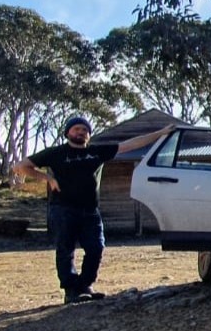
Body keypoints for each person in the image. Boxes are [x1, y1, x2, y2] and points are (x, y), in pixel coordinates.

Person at [13, 117, 174, 304]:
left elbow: (129, 144)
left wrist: (161, 133)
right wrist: (47, 178)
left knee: (96, 247)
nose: (80, 132)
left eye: (84, 129)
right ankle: (71, 290)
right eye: (76, 129)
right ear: (68, 132)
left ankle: (85, 285)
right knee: (65, 249)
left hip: (90, 211)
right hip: (63, 209)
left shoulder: (97, 152)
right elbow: (21, 166)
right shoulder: (56, 153)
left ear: (89, 134)